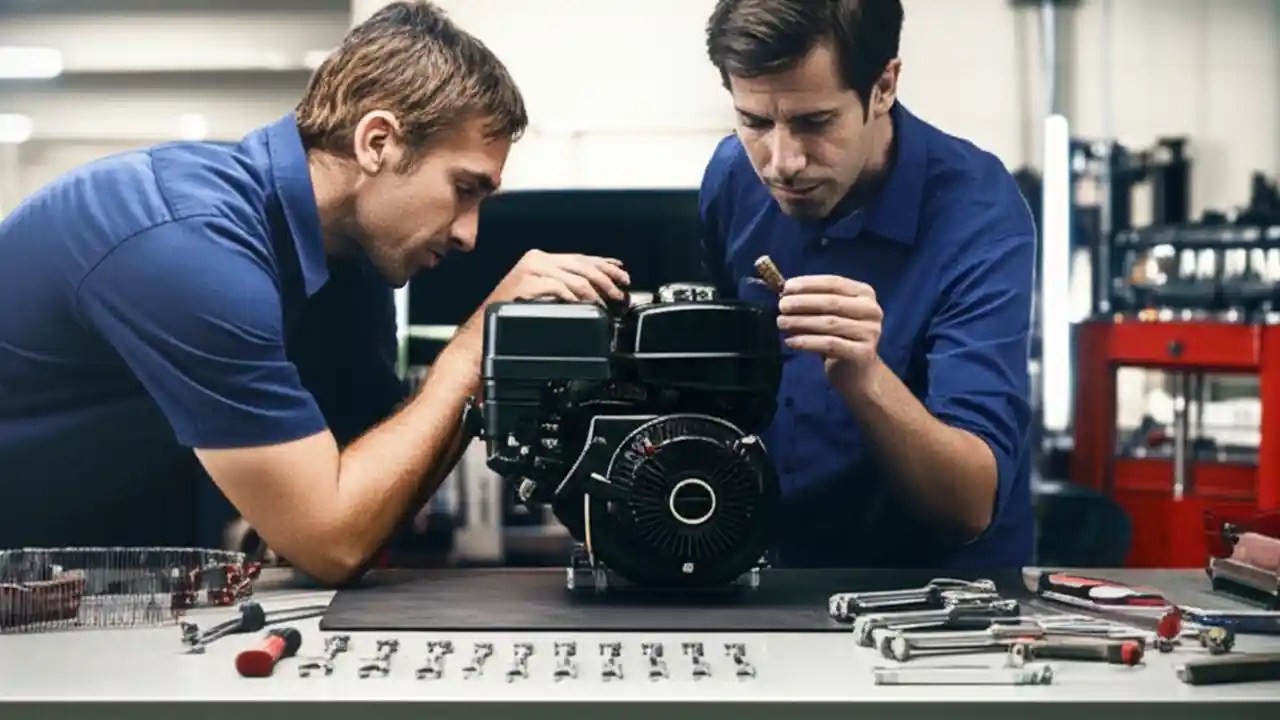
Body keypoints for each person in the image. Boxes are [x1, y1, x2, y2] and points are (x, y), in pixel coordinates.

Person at [0, 1, 629, 585]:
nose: (470, 234)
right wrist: (475, 349)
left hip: (106, 571)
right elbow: (335, 541)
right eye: (464, 189)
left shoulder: (347, 261)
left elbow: (382, 493)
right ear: (377, 142)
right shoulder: (189, 245)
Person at [698, 0, 1037, 568]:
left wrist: (865, 377)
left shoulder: (980, 216)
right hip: (774, 571)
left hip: (940, 599)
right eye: (755, 122)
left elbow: (971, 505)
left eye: (814, 122)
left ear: (884, 86)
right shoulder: (734, 177)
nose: (781, 163)